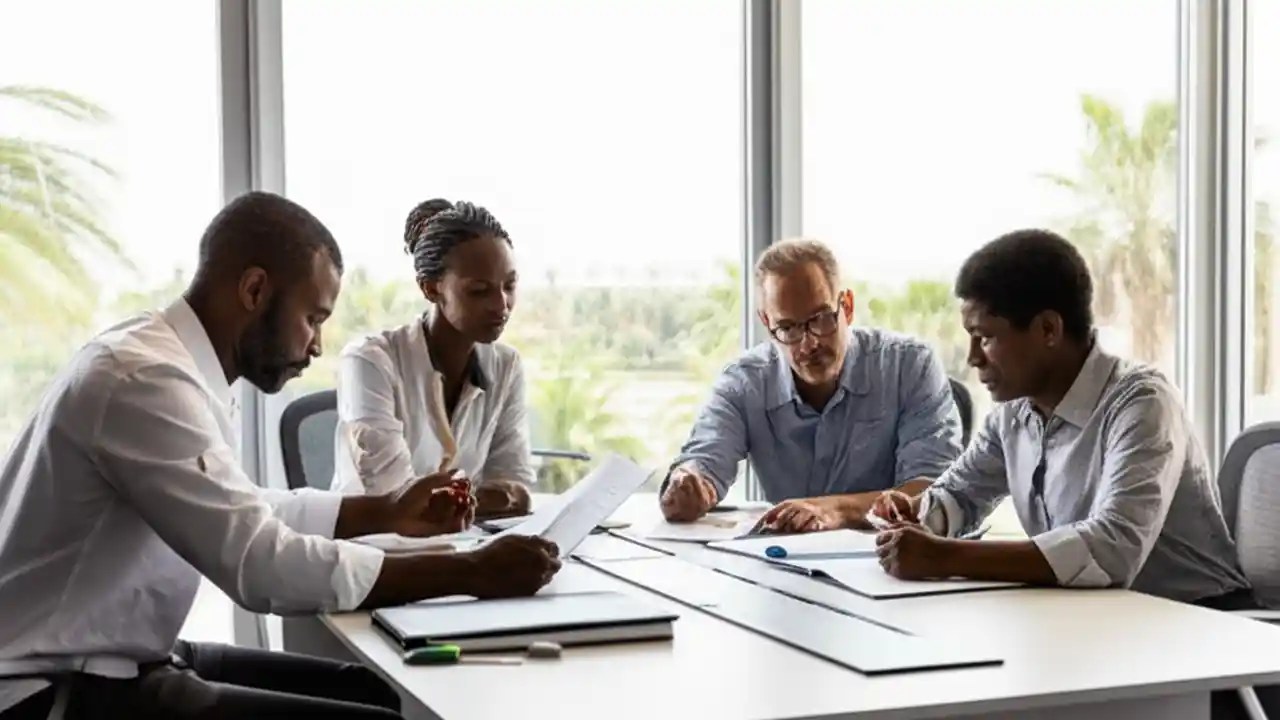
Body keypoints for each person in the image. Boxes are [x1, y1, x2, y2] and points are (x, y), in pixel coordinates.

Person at [0, 192, 561, 720]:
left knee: (368, 692)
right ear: (254, 291)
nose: (315, 345)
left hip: (123, 657)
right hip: (50, 685)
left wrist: (384, 512)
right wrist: (469, 571)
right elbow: (261, 565)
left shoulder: (170, 366)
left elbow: (242, 507)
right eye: (313, 317)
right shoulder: (144, 380)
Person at [871, 228, 1251, 608]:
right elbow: (959, 495)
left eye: (984, 337)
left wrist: (944, 556)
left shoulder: (1142, 403)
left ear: (1048, 329)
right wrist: (918, 516)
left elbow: (1111, 548)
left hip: (1198, 622)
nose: (972, 358)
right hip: (1095, 620)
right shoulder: (1013, 412)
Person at [661, 238, 963, 533]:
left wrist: (833, 510)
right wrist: (690, 483)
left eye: (820, 319)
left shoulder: (909, 367)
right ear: (767, 323)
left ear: (846, 306)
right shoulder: (744, 383)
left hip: (892, 564)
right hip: (785, 565)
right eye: (788, 327)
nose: (809, 344)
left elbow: (931, 492)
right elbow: (706, 459)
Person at [331, 199, 533, 520]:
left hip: (466, 549)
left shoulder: (506, 366)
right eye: (479, 290)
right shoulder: (369, 362)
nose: (501, 304)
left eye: (509, 286)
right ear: (431, 288)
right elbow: (394, 500)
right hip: (373, 555)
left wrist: (450, 500)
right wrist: (483, 497)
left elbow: (517, 490)